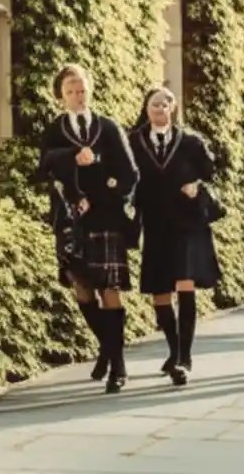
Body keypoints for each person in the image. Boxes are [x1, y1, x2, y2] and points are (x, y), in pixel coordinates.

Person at [36, 63, 139, 393]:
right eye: (70, 91)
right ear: (61, 97)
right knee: (81, 286)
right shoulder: (55, 130)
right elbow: (43, 166)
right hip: (70, 218)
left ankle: (117, 365)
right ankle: (108, 349)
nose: (77, 96)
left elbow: (129, 174)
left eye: (81, 90)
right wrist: (71, 157)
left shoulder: (107, 127)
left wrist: (98, 190)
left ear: (89, 90)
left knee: (109, 288)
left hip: (105, 216)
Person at [128, 86, 222, 386]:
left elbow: (212, 170)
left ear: (173, 108)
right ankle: (173, 348)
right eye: (155, 104)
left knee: (185, 282)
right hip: (155, 224)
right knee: (160, 293)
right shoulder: (134, 142)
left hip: (187, 222)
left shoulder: (191, 141)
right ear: (146, 108)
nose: (160, 108)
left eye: (166, 104)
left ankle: (184, 357)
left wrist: (196, 184)